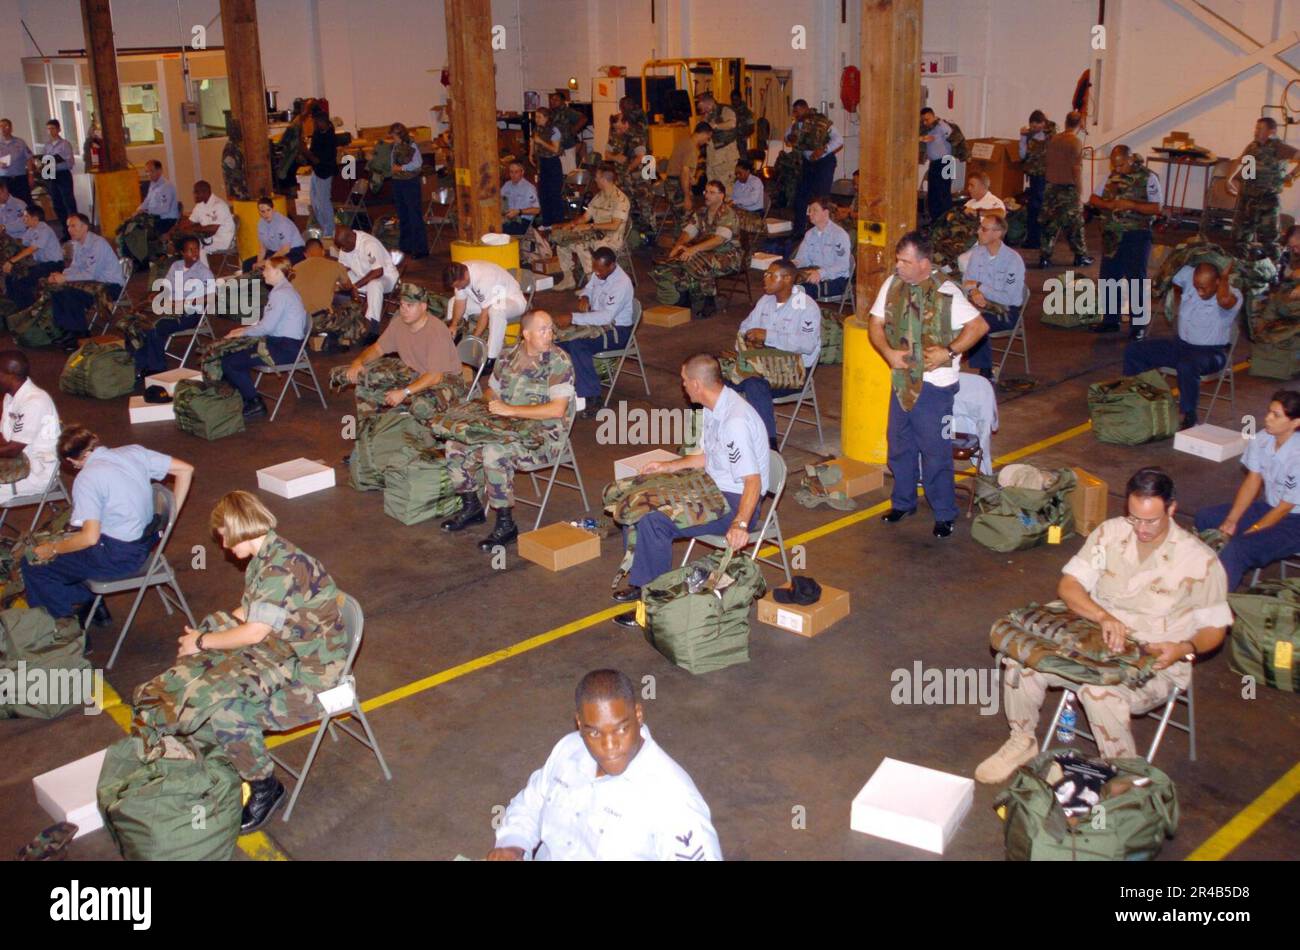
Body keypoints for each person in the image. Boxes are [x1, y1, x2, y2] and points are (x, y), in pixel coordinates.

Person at [976, 468, 1231, 781]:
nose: (1141, 528)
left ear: (1172, 509)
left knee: (1098, 693)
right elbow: (1069, 586)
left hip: (1155, 660)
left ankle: (1119, 773)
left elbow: (1214, 631)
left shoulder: (1199, 561)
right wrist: (1103, 616)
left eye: (1151, 520)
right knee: (1021, 659)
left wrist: (1184, 648)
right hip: (1093, 641)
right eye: (1135, 517)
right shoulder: (1111, 533)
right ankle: (1022, 740)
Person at [132, 490, 349, 833]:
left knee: (230, 711)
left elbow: (253, 634)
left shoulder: (280, 567)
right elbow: (249, 611)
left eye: (223, 537)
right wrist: (207, 635)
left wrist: (203, 642)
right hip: (285, 652)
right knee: (212, 631)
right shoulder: (268, 555)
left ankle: (266, 788)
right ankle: (203, 735)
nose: (223, 546)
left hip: (313, 678)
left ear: (238, 529)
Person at [488, 669, 722, 861]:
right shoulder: (569, 751)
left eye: (621, 729)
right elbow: (530, 805)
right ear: (580, 724)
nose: (610, 745)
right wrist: (513, 846)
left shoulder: (673, 800)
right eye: (595, 733)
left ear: (638, 714)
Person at [610, 353, 769, 624]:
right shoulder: (713, 407)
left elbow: (752, 481)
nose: (682, 385)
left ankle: (654, 609)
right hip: (709, 488)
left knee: (654, 522)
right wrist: (668, 466)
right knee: (635, 500)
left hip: (735, 502)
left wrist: (741, 524)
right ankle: (643, 583)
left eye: (685, 381)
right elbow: (710, 457)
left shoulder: (735, 421)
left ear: (697, 384)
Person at [868, 231, 987, 538]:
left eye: (905, 261)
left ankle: (945, 513)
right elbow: (875, 323)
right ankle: (904, 502)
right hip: (902, 383)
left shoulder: (946, 291)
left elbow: (979, 326)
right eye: (897, 260)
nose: (898, 266)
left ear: (924, 263)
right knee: (899, 447)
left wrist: (949, 351)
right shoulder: (893, 284)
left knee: (935, 453)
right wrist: (888, 353)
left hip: (936, 389)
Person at [21, 425, 193, 628]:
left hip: (116, 556)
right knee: (69, 556)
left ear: (71, 461)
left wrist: (52, 549)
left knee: (34, 565)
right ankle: (91, 605)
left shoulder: (86, 479)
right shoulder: (134, 452)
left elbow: (89, 538)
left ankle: (65, 634)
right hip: (144, 544)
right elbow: (185, 469)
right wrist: (171, 515)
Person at [439, 309, 576, 550]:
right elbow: (491, 391)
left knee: (494, 452)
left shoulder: (558, 361)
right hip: (507, 428)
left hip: (544, 437)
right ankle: (471, 506)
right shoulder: (507, 356)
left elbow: (556, 410)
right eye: (543, 330)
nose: (550, 335)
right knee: (455, 444)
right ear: (526, 334)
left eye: (551, 329)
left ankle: (506, 524)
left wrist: (510, 410)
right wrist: (486, 408)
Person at [1194, 391, 1300, 590]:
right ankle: (1203, 580)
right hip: (1270, 507)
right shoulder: (1262, 439)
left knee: (1238, 548)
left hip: (1295, 521)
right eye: (1269, 412)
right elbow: (1253, 481)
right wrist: (1232, 520)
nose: (1267, 418)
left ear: (1295, 423)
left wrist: (1255, 529)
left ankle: (1216, 609)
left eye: (1276, 415)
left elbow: (1285, 507)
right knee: (1206, 518)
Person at [1123, 261, 1241, 430]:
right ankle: (1136, 399)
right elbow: (1173, 270)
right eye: (1196, 286)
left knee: (1187, 365)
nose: (1199, 291)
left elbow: (1224, 300)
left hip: (1210, 353)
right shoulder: (1190, 277)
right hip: (1181, 346)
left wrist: (1224, 278)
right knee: (1135, 350)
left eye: (1204, 288)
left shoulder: (1233, 295)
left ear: (1217, 282)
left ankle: (1189, 413)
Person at [728, 259, 821, 447]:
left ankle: (768, 446)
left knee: (754, 384)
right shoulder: (766, 301)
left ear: (787, 279)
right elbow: (744, 328)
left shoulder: (806, 306)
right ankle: (706, 442)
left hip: (795, 370)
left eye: (772, 275)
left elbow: (808, 344)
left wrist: (768, 336)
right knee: (714, 378)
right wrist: (748, 339)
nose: (765, 279)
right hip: (763, 363)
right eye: (765, 274)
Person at [342, 281, 465, 418]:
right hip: (417, 373)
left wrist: (404, 392)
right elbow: (378, 348)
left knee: (421, 407)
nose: (403, 310)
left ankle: (417, 435)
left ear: (423, 307)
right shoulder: (399, 323)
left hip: (446, 380)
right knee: (363, 384)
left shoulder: (436, 331)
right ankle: (370, 432)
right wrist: (358, 361)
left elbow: (435, 376)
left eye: (410, 305)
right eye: (401, 305)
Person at [219, 256, 307, 418]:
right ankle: (245, 397)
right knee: (232, 354)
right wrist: (244, 330)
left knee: (230, 361)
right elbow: (266, 324)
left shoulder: (280, 294)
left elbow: (266, 327)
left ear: (278, 272)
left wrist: (241, 332)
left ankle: (254, 402)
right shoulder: (284, 291)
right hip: (281, 344)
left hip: (284, 348)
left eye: (266, 269)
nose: (263, 273)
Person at [1089, 145, 1164, 338]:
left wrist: (1132, 205)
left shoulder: (1148, 178)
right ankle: (1110, 320)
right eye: (1114, 164)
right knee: (1109, 277)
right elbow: (1094, 199)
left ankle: (1138, 324)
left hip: (1136, 234)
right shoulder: (1110, 177)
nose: (1117, 168)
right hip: (1112, 235)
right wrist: (1109, 205)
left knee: (1135, 279)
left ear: (1130, 159)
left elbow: (1157, 207)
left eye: (1121, 164)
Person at [554, 246, 635, 416]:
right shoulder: (601, 272)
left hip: (617, 332)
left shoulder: (621, 283)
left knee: (579, 345)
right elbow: (589, 287)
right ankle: (563, 389)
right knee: (558, 341)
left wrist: (572, 317)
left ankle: (592, 398)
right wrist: (585, 296)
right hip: (596, 325)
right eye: (595, 268)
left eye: (600, 270)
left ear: (612, 265)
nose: (596, 273)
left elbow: (606, 317)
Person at [651, 179, 744, 320]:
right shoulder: (701, 212)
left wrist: (693, 249)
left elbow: (718, 240)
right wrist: (679, 245)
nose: (707, 195)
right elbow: (689, 231)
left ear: (721, 196)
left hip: (728, 255)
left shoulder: (727, 214)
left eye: (712, 192)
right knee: (679, 258)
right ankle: (685, 295)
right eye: (706, 191)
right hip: (706, 251)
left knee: (701, 262)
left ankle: (709, 300)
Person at [131, 234, 214, 377]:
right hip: (170, 308)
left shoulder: (204, 272)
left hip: (189, 313)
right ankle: (140, 364)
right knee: (134, 324)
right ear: (181, 253)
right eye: (190, 250)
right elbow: (166, 287)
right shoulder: (176, 266)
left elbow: (212, 296)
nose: (194, 253)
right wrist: (152, 296)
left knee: (156, 327)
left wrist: (185, 303)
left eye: (196, 249)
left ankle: (156, 368)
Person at [962, 214, 1026, 379]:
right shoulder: (977, 253)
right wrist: (973, 291)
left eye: (983, 229)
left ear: (998, 233)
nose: (978, 231)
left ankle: (985, 372)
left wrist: (980, 287)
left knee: (977, 324)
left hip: (1005, 311)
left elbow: (1010, 298)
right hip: (978, 305)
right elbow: (967, 281)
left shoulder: (1013, 260)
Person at [1228, 117, 1299, 264]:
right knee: (1239, 237)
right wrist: (1230, 178)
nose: (1256, 131)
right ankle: (1239, 268)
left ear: (1271, 131)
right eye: (1256, 128)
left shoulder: (1279, 147)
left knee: (1269, 240)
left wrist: (1292, 175)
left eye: (1260, 128)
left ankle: (1274, 271)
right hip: (1247, 198)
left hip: (1267, 199)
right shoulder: (1252, 146)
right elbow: (1239, 161)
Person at [549, 163, 629, 292]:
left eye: (597, 177)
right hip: (594, 234)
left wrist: (589, 226)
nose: (595, 179)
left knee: (582, 245)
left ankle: (592, 285)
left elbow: (614, 226)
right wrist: (570, 225)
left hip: (611, 239)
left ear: (603, 179)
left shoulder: (621, 199)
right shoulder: (599, 196)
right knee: (562, 242)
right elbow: (585, 217)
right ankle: (568, 279)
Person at [47, 213, 124, 347]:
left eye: (73, 226)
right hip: (93, 283)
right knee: (57, 289)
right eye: (68, 226)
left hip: (109, 287)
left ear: (85, 227)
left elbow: (91, 273)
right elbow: (76, 267)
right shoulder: (77, 243)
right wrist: (59, 275)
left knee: (71, 293)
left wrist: (64, 278)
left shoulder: (97, 243)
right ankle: (66, 329)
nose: (69, 229)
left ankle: (79, 333)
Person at [0, 350, 59, 500]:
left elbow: (12, 450)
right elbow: (3, 438)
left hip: (35, 473)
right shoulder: (10, 396)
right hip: (15, 464)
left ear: (10, 375)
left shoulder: (34, 402)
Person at [444, 260, 529, 364]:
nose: (457, 288)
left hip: (512, 299)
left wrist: (474, 339)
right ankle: (455, 339)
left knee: (496, 311)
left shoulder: (485, 278)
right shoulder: (459, 272)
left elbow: (485, 313)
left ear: (465, 275)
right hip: (485, 300)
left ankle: (491, 358)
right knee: (453, 302)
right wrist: (454, 324)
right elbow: (460, 302)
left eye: (458, 285)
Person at [1039, 111, 1092, 269]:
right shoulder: (1074, 142)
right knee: (1075, 224)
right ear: (1081, 124)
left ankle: (1045, 257)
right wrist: (1080, 193)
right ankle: (1080, 256)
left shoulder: (1054, 139)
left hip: (1050, 187)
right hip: (1067, 189)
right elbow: (1076, 169)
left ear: (1066, 122)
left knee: (1050, 224)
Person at [335, 222, 399, 336]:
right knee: (338, 279)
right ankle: (346, 319)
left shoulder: (368, 245)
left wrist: (355, 286)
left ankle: (373, 327)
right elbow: (341, 269)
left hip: (386, 278)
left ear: (350, 239)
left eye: (343, 246)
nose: (342, 250)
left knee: (374, 285)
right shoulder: (345, 246)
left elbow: (378, 271)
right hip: (363, 276)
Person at [791, 100, 840, 242]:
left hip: (824, 163)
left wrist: (823, 150)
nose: (795, 114)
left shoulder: (822, 122)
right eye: (794, 112)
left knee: (821, 199)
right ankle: (799, 233)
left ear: (805, 108)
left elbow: (838, 140)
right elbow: (789, 137)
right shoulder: (797, 124)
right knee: (801, 197)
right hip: (808, 163)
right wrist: (790, 138)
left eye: (797, 111)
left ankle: (824, 232)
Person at [2, 204, 63, 310]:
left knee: (22, 283)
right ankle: (14, 307)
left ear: (35, 219)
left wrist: (11, 261)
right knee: (11, 277)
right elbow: (21, 243)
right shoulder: (31, 230)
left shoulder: (43, 229)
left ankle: (30, 310)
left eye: (26, 217)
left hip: (53, 265)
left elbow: (32, 249)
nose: (23, 219)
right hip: (41, 264)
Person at [792, 196, 852, 299]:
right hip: (813, 274)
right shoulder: (809, 234)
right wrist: (793, 264)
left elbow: (843, 265)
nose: (810, 213)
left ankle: (802, 314)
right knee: (783, 285)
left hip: (835, 279)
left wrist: (821, 273)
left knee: (799, 291)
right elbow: (803, 259)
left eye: (814, 210)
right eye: (809, 210)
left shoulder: (839, 235)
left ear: (825, 213)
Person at [387, 122, 428, 258]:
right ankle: (406, 246)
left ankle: (421, 249)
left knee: (414, 216)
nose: (393, 138)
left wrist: (402, 168)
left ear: (399, 134)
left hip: (410, 183)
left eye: (394, 135)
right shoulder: (395, 146)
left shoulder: (411, 144)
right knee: (403, 215)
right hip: (398, 182)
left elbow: (418, 163)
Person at [173, 180, 236, 269]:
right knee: (186, 242)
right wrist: (176, 229)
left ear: (205, 192)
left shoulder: (219, 205)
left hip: (223, 240)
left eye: (196, 192)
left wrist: (193, 229)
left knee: (195, 247)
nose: (194, 195)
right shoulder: (200, 205)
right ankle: (191, 270)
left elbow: (213, 229)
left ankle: (205, 276)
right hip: (209, 238)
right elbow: (190, 221)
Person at [1018, 110, 1055, 249]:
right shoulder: (1028, 136)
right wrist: (1023, 138)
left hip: (1047, 177)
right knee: (1033, 208)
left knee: (1041, 208)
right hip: (1035, 177)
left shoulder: (1052, 136)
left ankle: (1041, 240)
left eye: (1037, 126)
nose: (1034, 129)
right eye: (1032, 127)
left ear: (1044, 123)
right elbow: (1022, 155)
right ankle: (1033, 239)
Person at [243, 196, 305, 272]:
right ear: (259, 212)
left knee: (273, 267)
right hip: (275, 252)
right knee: (247, 264)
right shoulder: (261, 224)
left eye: (268, 210)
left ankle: (271, 283)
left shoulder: (282, 223)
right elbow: (262, 249)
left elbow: (285, 249)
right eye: (262, 211)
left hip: (294, 251)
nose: (266, 214)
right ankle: (255, 284)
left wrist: (266, 262)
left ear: (273, 209)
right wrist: (258, 263)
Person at [305, 105, 337, 240]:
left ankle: (329, 230)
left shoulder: (330, 137)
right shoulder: (318, 133)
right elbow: (313, 152)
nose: (315, 125)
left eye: (316, 122)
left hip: (325, 172)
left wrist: (306, 153)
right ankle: (323, 226)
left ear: (323, 122)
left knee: (323, 202)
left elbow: (320, 159)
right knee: (314, 200)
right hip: (317, 171)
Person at [531, 106, 566, 226]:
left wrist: (540, 141)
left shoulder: (554, 130)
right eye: (536, 116)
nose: (537, 119)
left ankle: (557, 222)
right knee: (543, 193)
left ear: (546, 118)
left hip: (553, 163)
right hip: (543, 162)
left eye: (539, 117)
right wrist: (531, 154)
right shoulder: (537, 129)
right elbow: (533, 141)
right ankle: (546, 222)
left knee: (553, 193)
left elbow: (555, 150)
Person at [665, 123, 711, 216]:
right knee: (687, 221)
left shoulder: (685, 141)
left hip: (672, 184)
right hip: (678, 186)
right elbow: (684, 171)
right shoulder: (691, 148)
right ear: (703, 133)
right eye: (708, 138)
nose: (707, 141)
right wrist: (687, 197)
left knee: (680, 220)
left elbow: (680, 166)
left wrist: (691, 177)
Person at [696, 91, 738, 191]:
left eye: (705, 108)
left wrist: (716, 126)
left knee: (725, 187)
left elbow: (732, 124)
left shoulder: (725, 110)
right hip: (712, 158)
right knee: (711, 187)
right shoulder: (707, 114)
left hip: (725, 157)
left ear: (710, 103)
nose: (704, 111)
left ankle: (726, 206)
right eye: (702, 110)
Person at [919, 107, 955, 224]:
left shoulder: (942, 126)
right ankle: (935, 221)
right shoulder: (929, 128)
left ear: (933, 116)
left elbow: (950, 135)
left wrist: (929, 137)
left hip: (946, 162)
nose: (925, 122)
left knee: (943, 193)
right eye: (923, 120)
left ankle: (945, 222)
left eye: (927, 119)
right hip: (935, 163)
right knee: (933, 193)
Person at [43, 120, 77, 238]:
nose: (50, 131)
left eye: (52, 128)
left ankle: (75, 228)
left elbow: (70, 162)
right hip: (52, 175)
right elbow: (45, 161)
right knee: (57, 204)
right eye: (48, 129)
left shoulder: (64, 144)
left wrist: (56, 161)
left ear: (58, 129)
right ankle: (65, 230)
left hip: (63, 174)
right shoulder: (47, 145)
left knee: (68, 202)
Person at [132, 160, 180, 235]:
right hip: (156, 218)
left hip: (167, 220)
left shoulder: (166, 186)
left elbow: (164, 209)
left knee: (139, 233)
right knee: (131, 226)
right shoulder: (152, 185)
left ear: (159, 171)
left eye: (151, 171)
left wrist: (146, 211)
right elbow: (147, 201)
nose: (149, 174)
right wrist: (139, 209)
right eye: (147, 171)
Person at [548, 90, 587, 174]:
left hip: (567, 144)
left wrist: (574, 129)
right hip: (556, 145)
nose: (553, 102)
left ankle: (571, 185)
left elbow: (583, 118)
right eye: (552, 99)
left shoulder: (567, 111)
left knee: (569, 170)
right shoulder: (551, 113)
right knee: (560, 169)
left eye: (556, 100)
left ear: (562, 102)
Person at [500, 161, 541, 236]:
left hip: (522, 220)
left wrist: (519, 212)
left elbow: (537, 210)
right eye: (511, 172)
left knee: (500, 229)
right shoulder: (507, 185)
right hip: (507, 218)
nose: (513, 175)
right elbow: (499, 201)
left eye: (516, 172)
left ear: (522, 172)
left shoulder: (529, 188)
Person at [0, 118, 33, 206]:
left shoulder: (20, 142)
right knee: (6, 203)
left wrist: (31, 174)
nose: (3, 129)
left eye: (5, 126)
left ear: (11, 128)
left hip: (20, 178)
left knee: (25, 202)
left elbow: (29, 158)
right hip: (4, 179)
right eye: (1, 126)